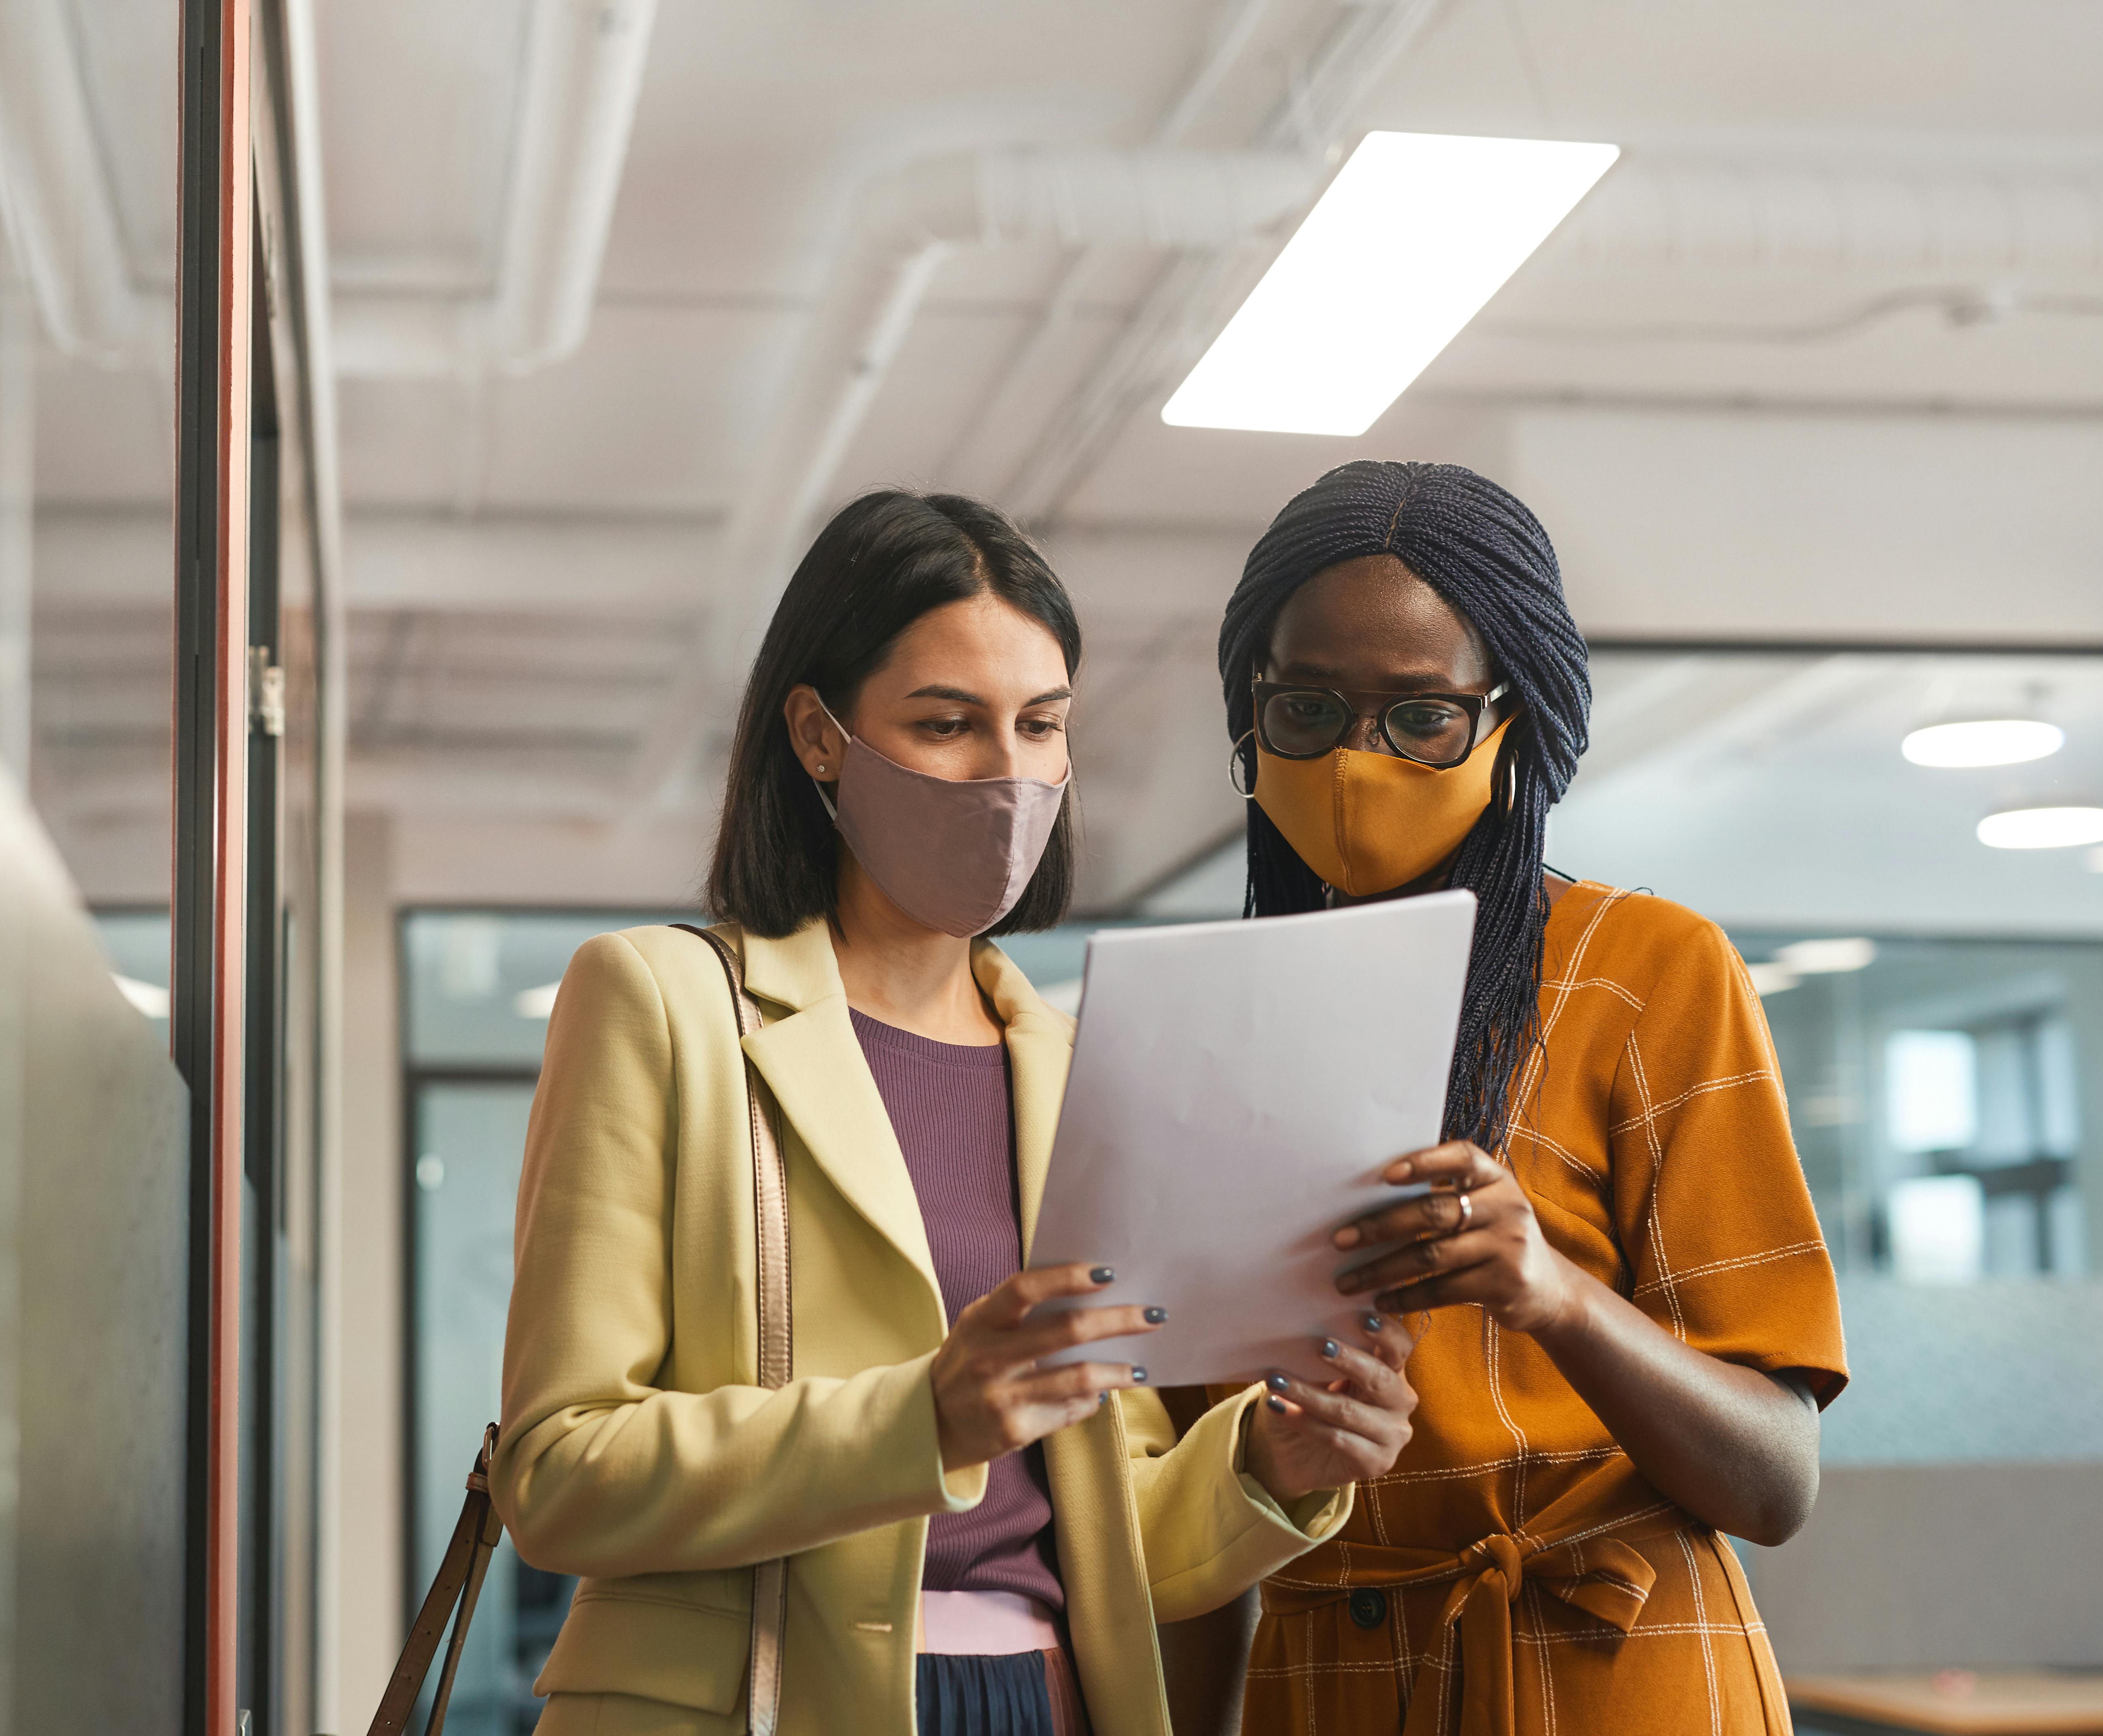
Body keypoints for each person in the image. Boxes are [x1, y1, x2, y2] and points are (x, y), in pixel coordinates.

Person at [496, 490, 1422, 1736]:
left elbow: (1111, 1526)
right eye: (945, 724)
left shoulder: (1078, 1063)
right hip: (748, 1704)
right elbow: (556, 1476)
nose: (1007, 774)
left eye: (1040, 725)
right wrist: (920, 1416)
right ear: (818, 737)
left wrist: (1272, 1463)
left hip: (1033, 1699)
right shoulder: (662, 1004)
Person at [1209, 461, 1850, 1736]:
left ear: (1512, 717)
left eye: (1420, 716)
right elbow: (1175, 1521)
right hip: (1320, 1679)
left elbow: (1775, 1479)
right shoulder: (1211, 1023)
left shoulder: (1648, 970)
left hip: (1613, 1667)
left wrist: (1553, 1292)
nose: (1355, 758)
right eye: (1308, 707)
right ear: (1250, 710)